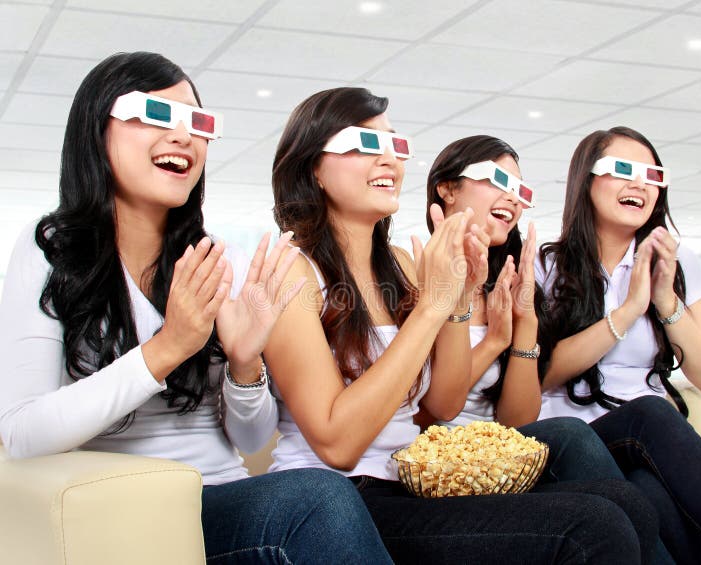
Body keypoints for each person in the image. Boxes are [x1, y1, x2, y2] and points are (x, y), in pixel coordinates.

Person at [0, 52, 392, 564]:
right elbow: (23, 433)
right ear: (97, 130)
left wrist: (246, 363)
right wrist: (169, 347)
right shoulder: (51, 249)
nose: (184, 137)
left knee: (313, 494)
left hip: (216, 500)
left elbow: (251, 441)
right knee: (318, 498)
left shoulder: (208, 257)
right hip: (124, 508)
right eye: (156, 116)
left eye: (198, 124)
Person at [263, 86, 659, 564]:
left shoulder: (404, 264)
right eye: (365, 144)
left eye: (395, 145)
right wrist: (433, 306)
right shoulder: (293, 269)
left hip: (413, 482)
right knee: (594, 527)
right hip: (343, 499)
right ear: (313, 168)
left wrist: (457, 296)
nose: (388, 158)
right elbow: (338, 444)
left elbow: (445, 402)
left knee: (628, 504)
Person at [536, 126, 701, 564]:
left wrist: (665, 300)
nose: (640, 183)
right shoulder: (548, 264)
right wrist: (628, 311)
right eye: (622, 170)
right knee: (652, 415)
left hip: (652, 450)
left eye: (652, 174)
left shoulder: (678, 261)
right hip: (576, 436)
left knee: (654, 492)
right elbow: (541, 375)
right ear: (586, 179)